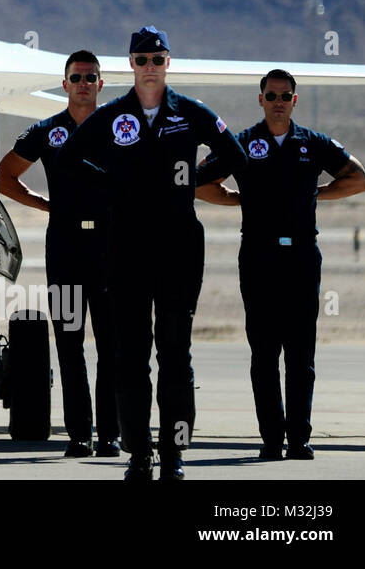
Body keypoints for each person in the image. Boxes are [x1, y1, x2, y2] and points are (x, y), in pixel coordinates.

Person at [64, 26, 246, 479]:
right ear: (130, 64)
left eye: (158, 59)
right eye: (142, 60)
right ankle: (140, 454)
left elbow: (234, 153)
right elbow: (75, 161)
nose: (150, 67)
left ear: (169, 62)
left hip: (179, 245)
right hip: (124, 247)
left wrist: (195, 175)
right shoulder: (111, 116)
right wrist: (115, 187)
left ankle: (175, 452)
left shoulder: (191, 112)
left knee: (176, 354)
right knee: (130, 356)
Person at [196, 69, 365, 461]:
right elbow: (201, 183)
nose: (278, 103)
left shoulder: (313, 143)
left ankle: (299, 439)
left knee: (301, 355)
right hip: (259, 257)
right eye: (271, 96)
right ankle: (272, 439)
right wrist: (241, 201)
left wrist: (315, 194)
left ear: (295, 100)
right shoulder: (242, 143)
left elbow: (358, 179)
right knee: (264, 353)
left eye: (285, 96)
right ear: (260, 100)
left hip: (302, 258)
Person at [0, 50, 119, 459]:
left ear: (101, 84)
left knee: (111, 344)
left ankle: (110, 435)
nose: (84, 83)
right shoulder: (49, 131)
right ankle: (79, 435)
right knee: (69, 343)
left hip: (110, 249)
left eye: (91, 77)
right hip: (66, 248)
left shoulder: (121, 130)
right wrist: (43, 204)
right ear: (64, 84)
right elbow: (5, 175)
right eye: (76, 77)